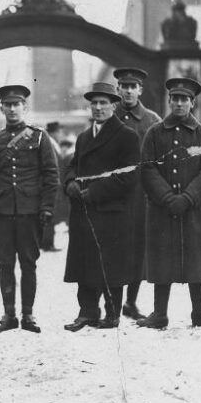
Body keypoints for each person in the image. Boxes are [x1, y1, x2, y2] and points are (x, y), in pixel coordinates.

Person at [138, 77, 201, 329]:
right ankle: (159, 314)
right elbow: (148, 169)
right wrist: (166, 197)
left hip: (192, 209)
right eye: (174, 98)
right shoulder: (154, 133)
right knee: (162, 259)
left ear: (192, 103)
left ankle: (200, 312)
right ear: (169, 101)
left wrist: (187, 198)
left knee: (196, 258)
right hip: (162, 209)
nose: (178, 103)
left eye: (184, 99)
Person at [0, 84, 59, 333]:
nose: (12, 109)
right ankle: (9, 314)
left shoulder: (39, 138)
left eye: (17, 105)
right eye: (8, 105)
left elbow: (51, 175)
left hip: (29, 211)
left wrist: (46, 208)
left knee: (29, 263)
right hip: (2, 213)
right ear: (1, 108)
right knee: (5, 264)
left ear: (25, 107)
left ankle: (28, 315)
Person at [62, 81, 141, 331]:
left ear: (114, 105)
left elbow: (128, 177)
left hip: (110, 211)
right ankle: (87, 312)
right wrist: (70, 182)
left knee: (111, 265)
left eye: (103, 103)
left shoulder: (127, 136)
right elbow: (72, 165)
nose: (98, 108)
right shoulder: (84, 137)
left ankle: (112, 313)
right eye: (94, 103)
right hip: (85, 211)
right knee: (85, 262)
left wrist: (92, 193)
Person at [112, 67, 162, 318]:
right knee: (113, 248)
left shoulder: (153, 120)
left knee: (139, 249)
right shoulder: (108, 117)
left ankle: (131, 301)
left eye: (133, 86)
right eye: (124, 86)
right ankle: (112, 302)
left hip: (142, 196)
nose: (129, 90)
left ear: (140, 90)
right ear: (118, 89)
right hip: (113, 195)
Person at [40, 121, 63, 252]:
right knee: (50, 213)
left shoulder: (54, 145)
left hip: (55, 184)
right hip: (52, 185)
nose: (61, 135)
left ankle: (48, 242)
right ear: (54, 133)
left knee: (53, 213)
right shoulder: (51, 145)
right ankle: (47, 243)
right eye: (59, 132)